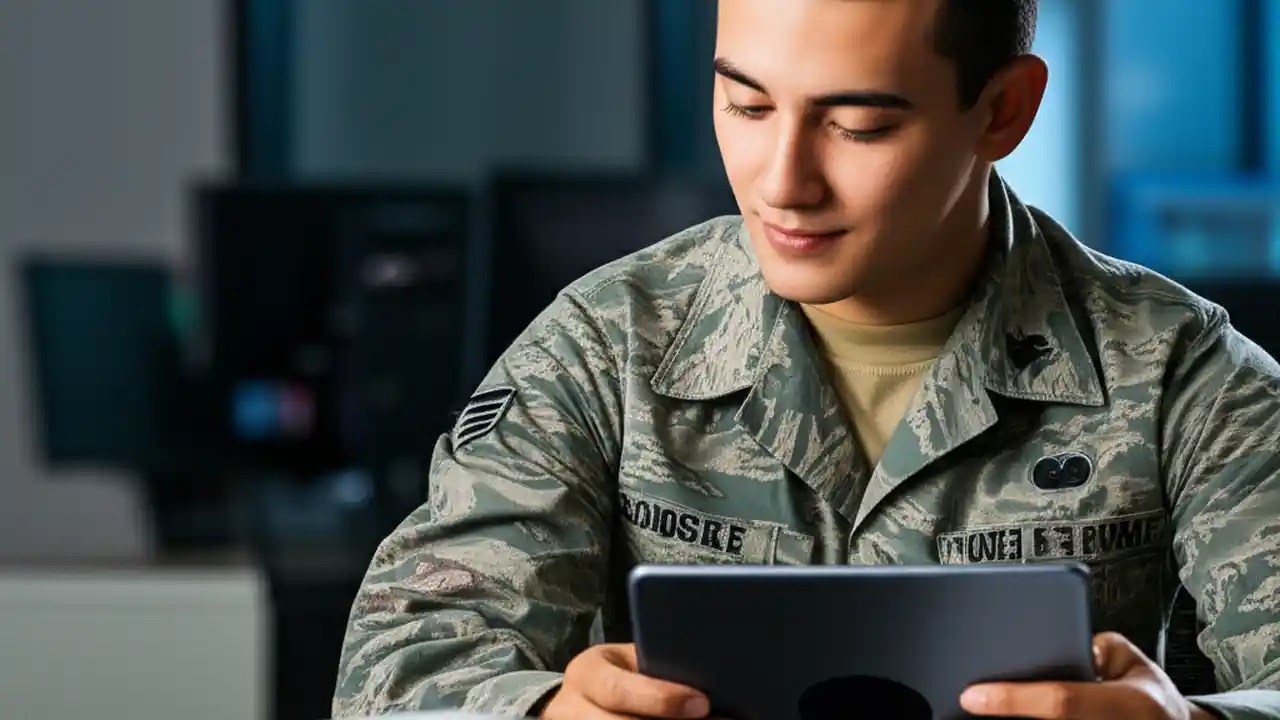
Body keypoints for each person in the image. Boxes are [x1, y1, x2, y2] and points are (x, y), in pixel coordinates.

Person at [332, 0, 1280, 718]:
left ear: (1003, 111)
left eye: (857, 125)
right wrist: (542, 713)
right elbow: (401, 662)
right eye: (745, 104)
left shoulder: (1177, 374)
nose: (780, 182)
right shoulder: (607, 345)